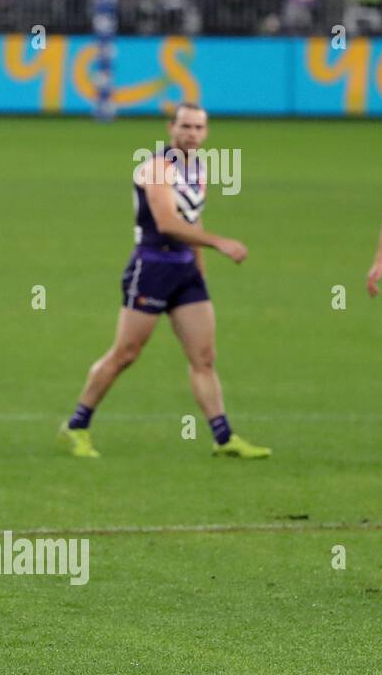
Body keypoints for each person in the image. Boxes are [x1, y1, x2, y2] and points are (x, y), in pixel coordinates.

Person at [59, 104, 271, 459]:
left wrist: (199, 270)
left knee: (204, 357)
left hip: (185, 272)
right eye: (185, 126)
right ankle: (77, 426)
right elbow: (168, 223)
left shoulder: (198, 169)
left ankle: (224, 437)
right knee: (126, 353)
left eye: (198, 128)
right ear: (171, 128)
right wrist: (220, 244)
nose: (191, 133)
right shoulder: (156, 168)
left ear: (206, 132)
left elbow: (194, 222)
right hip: (151, 269)